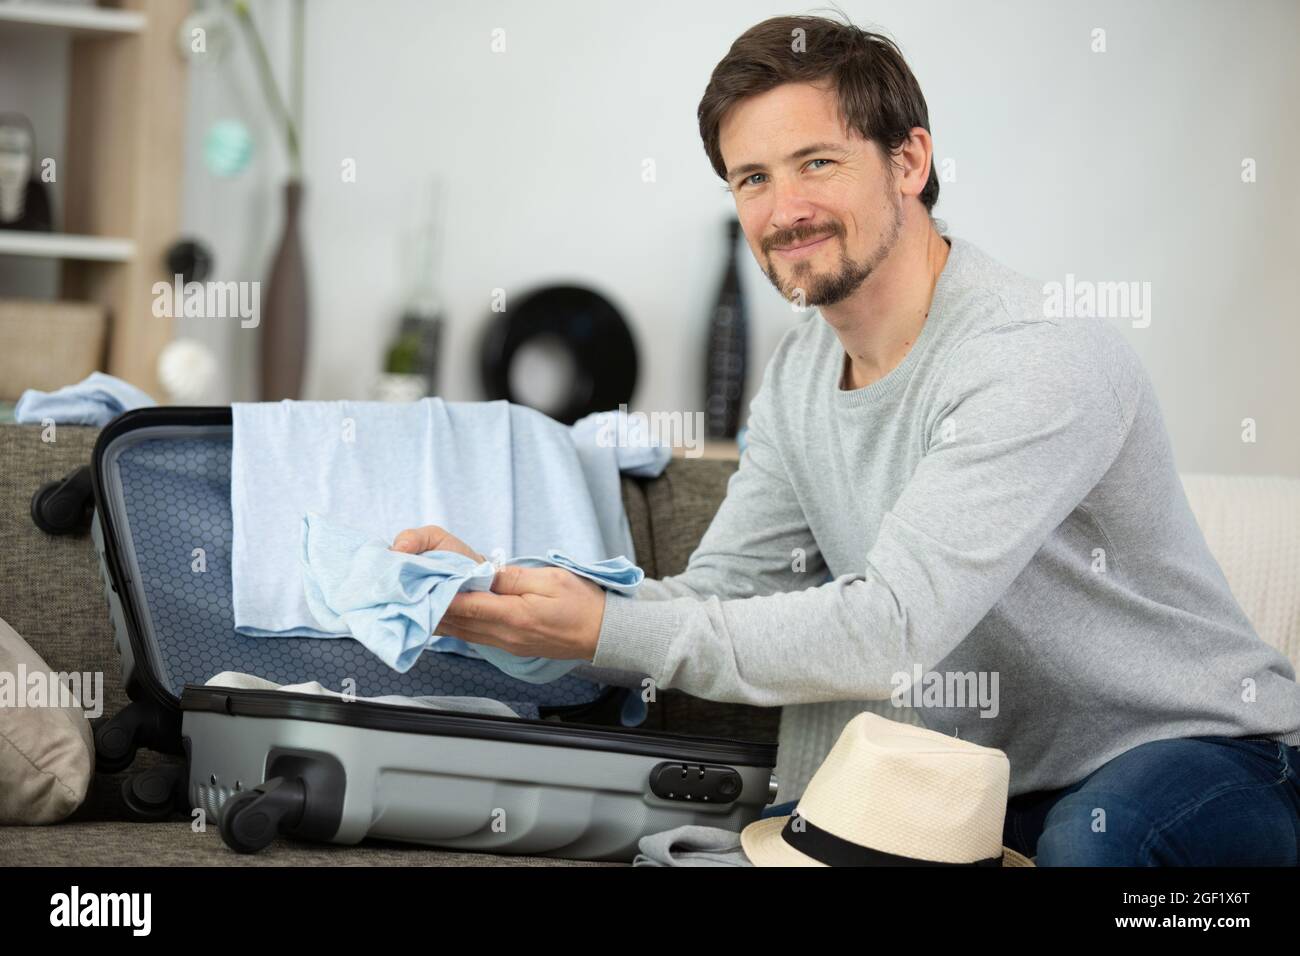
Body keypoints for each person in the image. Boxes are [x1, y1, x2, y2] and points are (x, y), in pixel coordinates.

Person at [391, 14, 1300, 865]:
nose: (784, 209)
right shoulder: (796, 377)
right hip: (990, 782)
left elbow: (892, 631)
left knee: (1099, 843)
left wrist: (608, 626)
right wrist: (512, 600)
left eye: (816, 162)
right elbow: (721, 594)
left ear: (910, 161)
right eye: (752, 179)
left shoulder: (1036, 356)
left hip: (1204, 756)